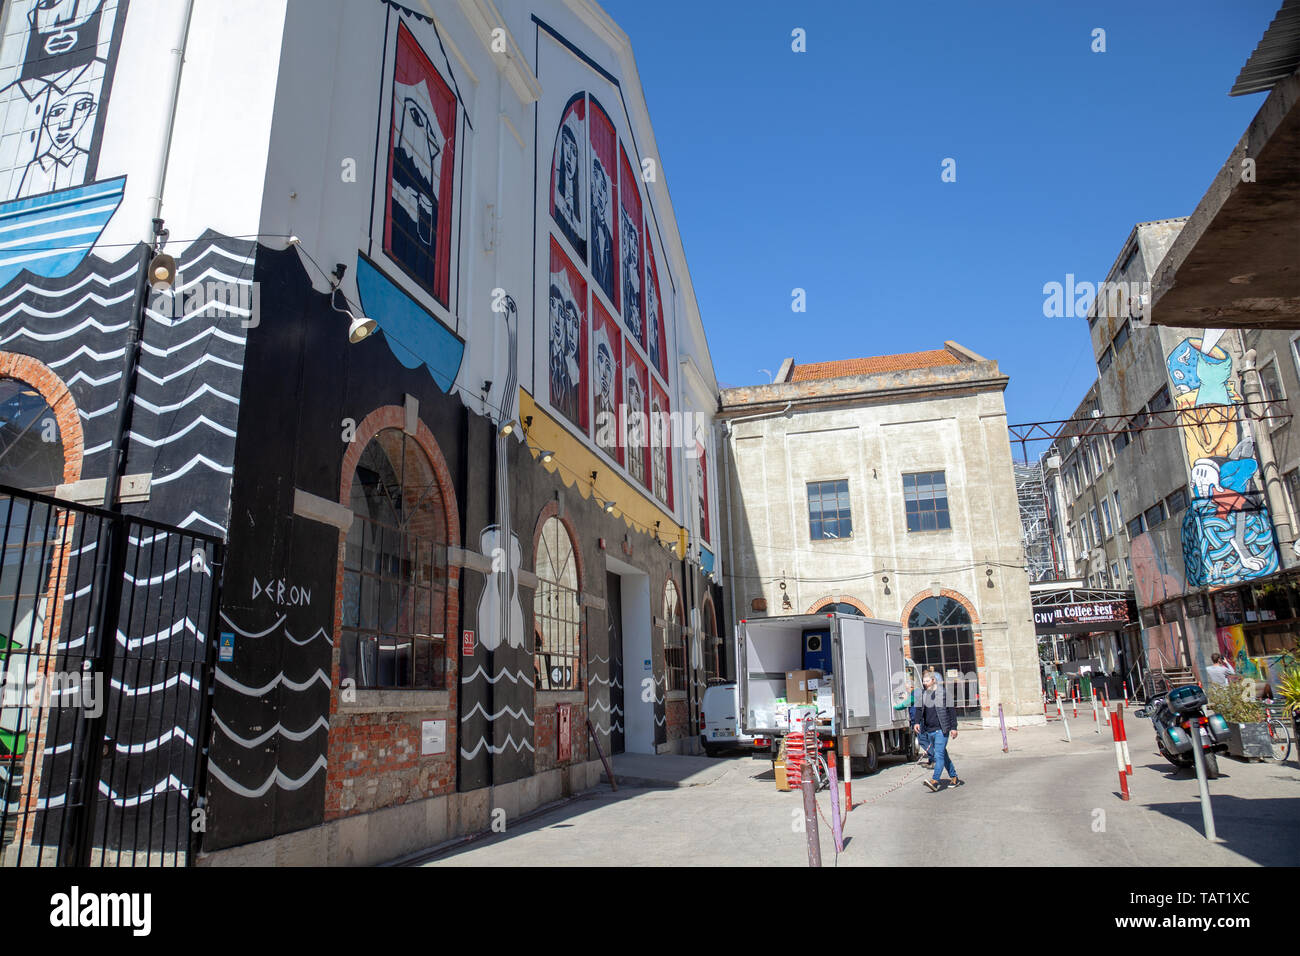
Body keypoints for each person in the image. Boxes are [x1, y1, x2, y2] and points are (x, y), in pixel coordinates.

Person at [912, 670, 959, 791]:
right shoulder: (923, 694)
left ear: (933, 680)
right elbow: (918, 710)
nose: (925, 683)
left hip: (941, 730)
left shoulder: (943, 693)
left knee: (938, 756)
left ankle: (935, 781)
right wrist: (917, 722)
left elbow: (951, 711)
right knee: (943, 755)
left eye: (927, 681)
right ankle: (954, 777)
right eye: (923, 681)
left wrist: (954, 728)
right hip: (929, 730)